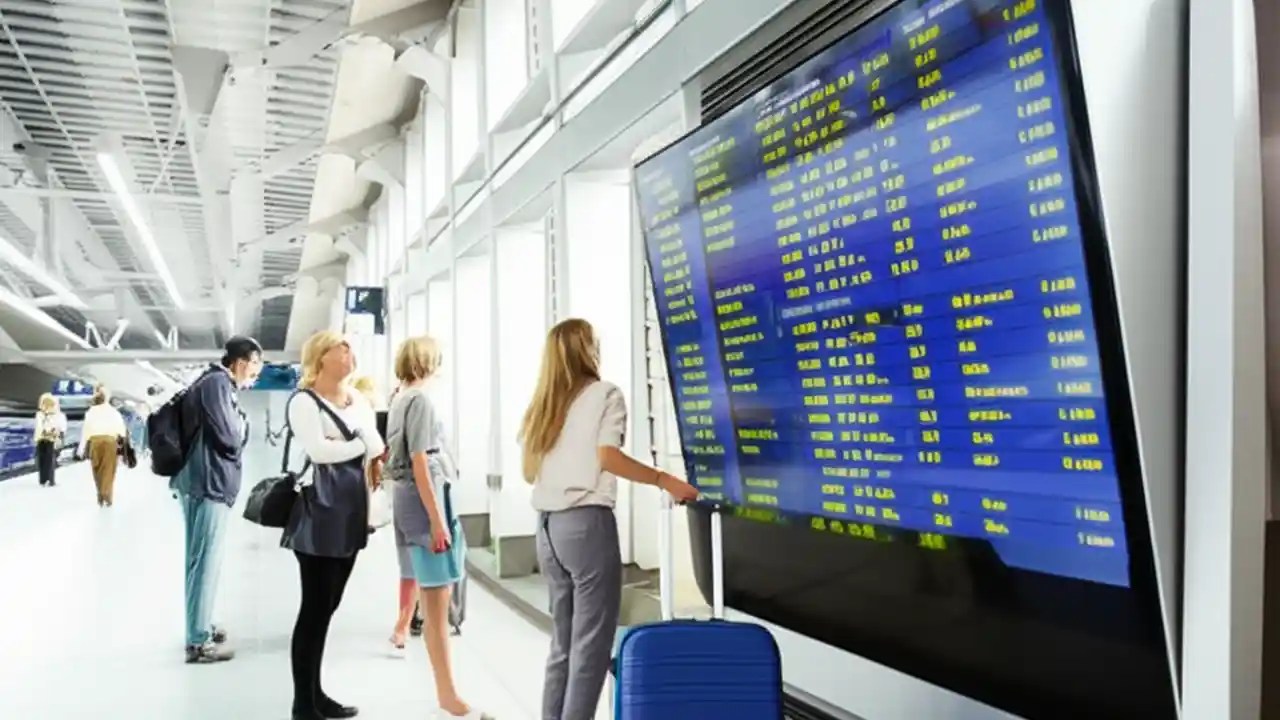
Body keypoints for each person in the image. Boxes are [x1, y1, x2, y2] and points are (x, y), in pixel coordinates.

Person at [521, 318, 699, 720]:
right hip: (586, 525)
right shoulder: (605, 394)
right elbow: (608, 457)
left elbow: (529, 472)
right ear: (587, 349)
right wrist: (663, 479)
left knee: (563, 645)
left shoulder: (544, 405)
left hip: (547, 528)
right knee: (592, 646)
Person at [284, 331, 385, 720]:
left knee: (328, 606)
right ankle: (303, 703)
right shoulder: (303, 402)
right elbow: (319, 451)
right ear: (321, 357)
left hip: (351, 508)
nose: (350, 353)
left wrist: (355, 443)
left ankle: (316, 693)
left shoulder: (356, 398)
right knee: (314, 606)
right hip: (318, 512)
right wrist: (357, 444)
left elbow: (375, 442)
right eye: (341, 347)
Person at [385, 336, 487, 719]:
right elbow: (420, 461)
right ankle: (448, 693)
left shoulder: (400, 398)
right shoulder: (421, 401)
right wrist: (438, 521)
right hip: (425, 505)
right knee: (437, 603)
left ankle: (446, 689)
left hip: (408, 503)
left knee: (432, 601)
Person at [172, 336, 263, 664]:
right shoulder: (217, 385)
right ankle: (198, 641)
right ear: (241, 361)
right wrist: (241, 429)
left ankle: (200, 623)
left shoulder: (212, 383)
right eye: (255, 366)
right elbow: (228, 437)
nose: (255, 374)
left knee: (198, 559)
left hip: (200, 480)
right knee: (205, 559)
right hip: (208, 482)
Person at [78, 386, 127, 508]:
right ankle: (107, 496)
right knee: (108, 470)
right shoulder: (114, 412)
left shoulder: (90, 412)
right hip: (110, 442)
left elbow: (85, 431)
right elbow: (122, 431)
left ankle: (100, 495)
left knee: (97, 470)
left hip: (95, 442)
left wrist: (81, 448)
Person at [33, 393, 66, 487]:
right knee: (42, 459)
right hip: (42, 439)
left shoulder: (58, 415)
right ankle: (43, 479)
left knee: (50, 459)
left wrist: (55, 432)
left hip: (52, 440)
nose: (46, 407)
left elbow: (61, 427)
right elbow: (39, 427)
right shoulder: (40, 415)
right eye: (44, 404)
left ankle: (50, 479)